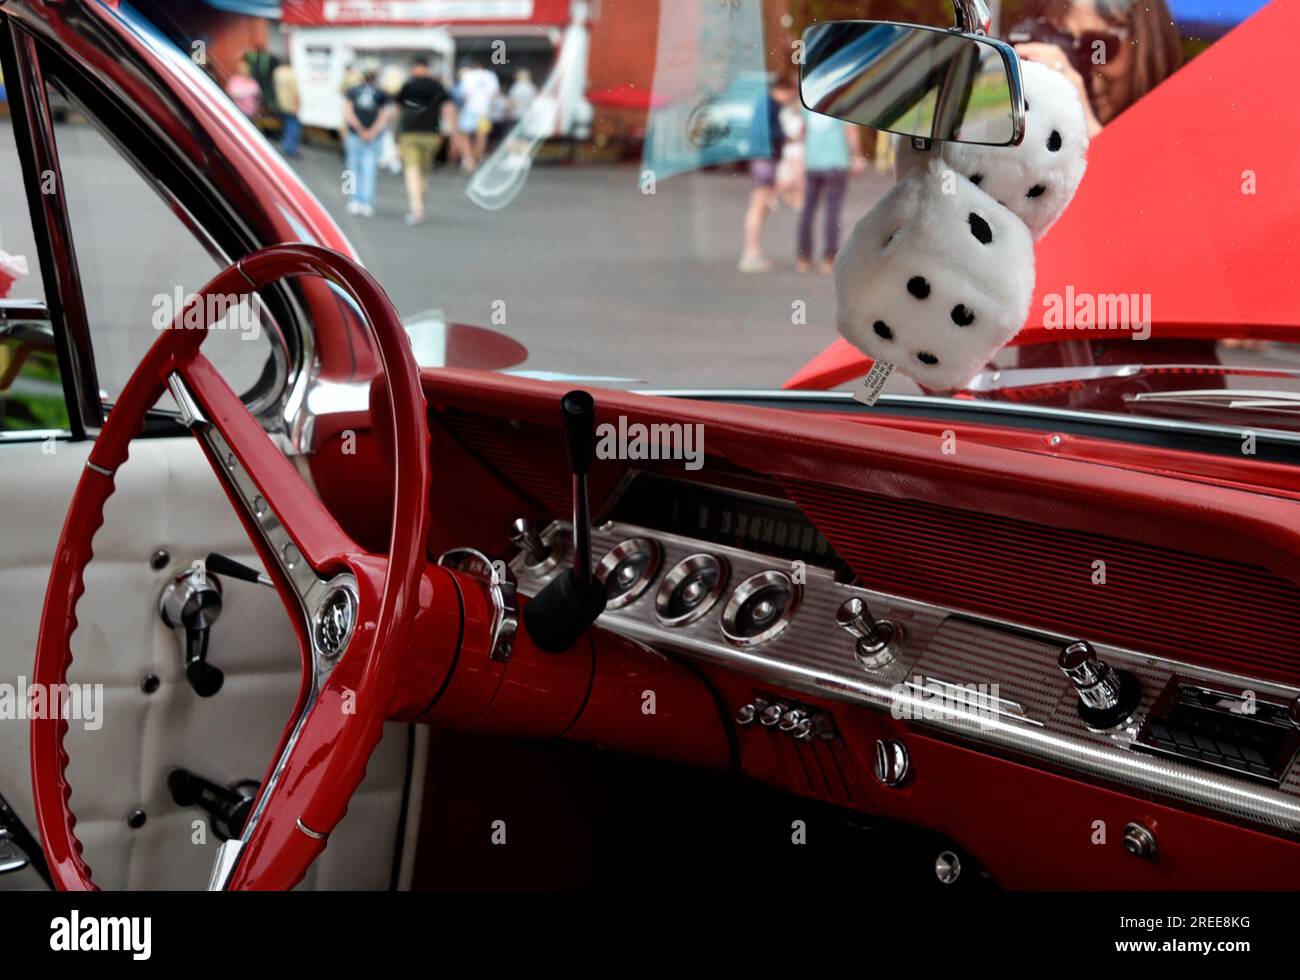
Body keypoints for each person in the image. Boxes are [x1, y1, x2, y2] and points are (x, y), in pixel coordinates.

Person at [1012, 0, 1182, 137]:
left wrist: (1082, 123)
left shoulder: (1183, 140)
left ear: (1146, 45)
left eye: (1099, 47)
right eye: (1063, 46)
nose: (1075, 70)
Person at [738, 74, 797, 273]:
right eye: (791, 94)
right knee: (758, 206)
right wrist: (785, 137)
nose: (791, 99)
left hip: (763, 159)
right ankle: (750, 253)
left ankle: (752, 252)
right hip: (764, 160)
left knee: (761, 206)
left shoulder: (768, 104)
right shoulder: (768, 105)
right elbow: (766, 133)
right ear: (783, 89)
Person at [796, 109, 865, 274]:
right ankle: (829, 257)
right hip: (835, 163)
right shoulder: (840, 105)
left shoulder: (809, 104)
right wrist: (857, 156)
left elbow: (803, 131)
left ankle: (803, 257)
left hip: (812, 163)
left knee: (808, 210)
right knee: (832, 211)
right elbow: (851, 130)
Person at [397, 55, 449, 225]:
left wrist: (396, 133)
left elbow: (399, 110)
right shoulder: (437, 86)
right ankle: (420, 206)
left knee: (411, 171)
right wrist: (449, 133)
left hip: (410, 134)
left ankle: (416, 209)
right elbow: (448, 109)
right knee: (423, 173)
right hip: (432, 135)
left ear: (414, 68)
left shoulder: (408, 85)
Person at [342, 61, 393, 217]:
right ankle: (366, 202)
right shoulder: (381, 92)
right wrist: (372, 131)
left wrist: (360, 129)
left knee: (352, 168)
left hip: (355, 134)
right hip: (373, 136)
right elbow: (384, 116)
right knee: (369, 169)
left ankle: (353, 200)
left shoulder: (353, 90)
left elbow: (348, 112)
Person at [456, 58, 501, 172]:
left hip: (470, 109)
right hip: (485, 110)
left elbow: (464, 95)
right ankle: (477, 159)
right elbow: (495, 94)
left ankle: (468, 160)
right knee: (481, 136)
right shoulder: (490, 75)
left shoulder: (468, 75)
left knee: (465, 135)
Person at [271, 61, 301, 157]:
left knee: (286, 125)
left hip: (280, 103)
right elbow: (296, 92)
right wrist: (297, 106)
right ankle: (290, 148)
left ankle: (285, 145)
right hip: (290, 104)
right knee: (293, 126)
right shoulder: (292, 74)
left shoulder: (278, 72)